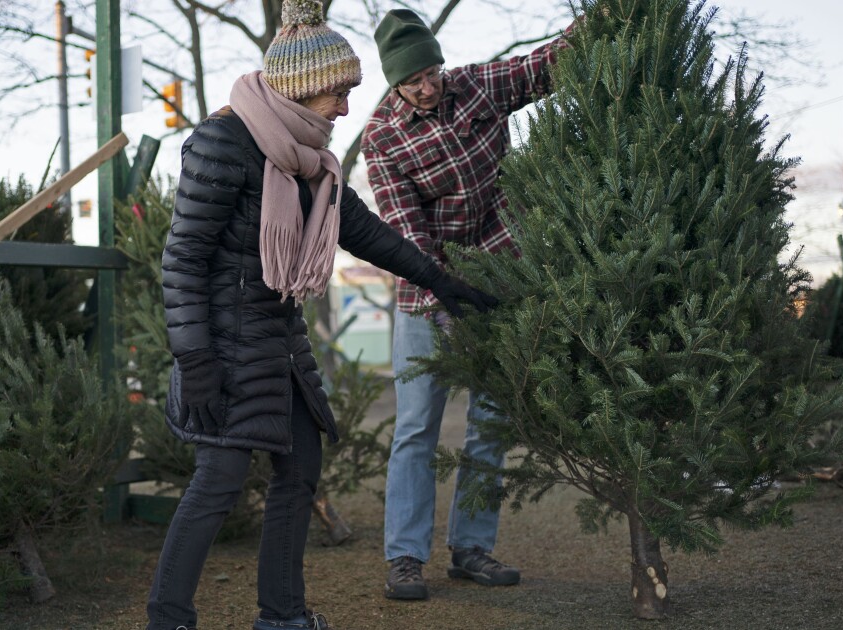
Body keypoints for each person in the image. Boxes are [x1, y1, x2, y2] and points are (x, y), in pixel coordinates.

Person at [146, 2, 496, 629]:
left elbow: (363, 231)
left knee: (300, 469)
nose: (344, 107)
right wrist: (193, 357)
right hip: (223, 348)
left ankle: (282, 616)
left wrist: (441, 281)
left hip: (279, 343)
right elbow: (182, 260)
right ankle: (168, 618)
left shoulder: (311, 162)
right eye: (338, 92)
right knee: (219, 480)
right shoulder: (224, 143)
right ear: (303, 89)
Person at [361, 8, 577, 601]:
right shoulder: (382, 137)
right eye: (414, 82)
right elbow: (406, 228)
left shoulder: (476, 85)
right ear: (394, 84)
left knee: (492, 420)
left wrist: (605, 19)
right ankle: (405, 557)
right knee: (415, 426)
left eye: (432, 71)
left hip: (504, 267)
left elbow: (545, 64)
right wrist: (447, 288)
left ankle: (472, 546)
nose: (429, 87)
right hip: (428, 287)